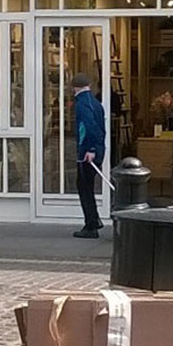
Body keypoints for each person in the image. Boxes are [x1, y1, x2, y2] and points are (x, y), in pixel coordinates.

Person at [71, 70, 106, 239]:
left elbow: (87, 127)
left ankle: (91, 224)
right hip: (97, 149)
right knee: (87, 186)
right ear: (88, 85)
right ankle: (94, 220)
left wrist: (89, 149)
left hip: (87, 153)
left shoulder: (82, 104)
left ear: (74, 87)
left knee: (84, 187)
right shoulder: (95, 103)